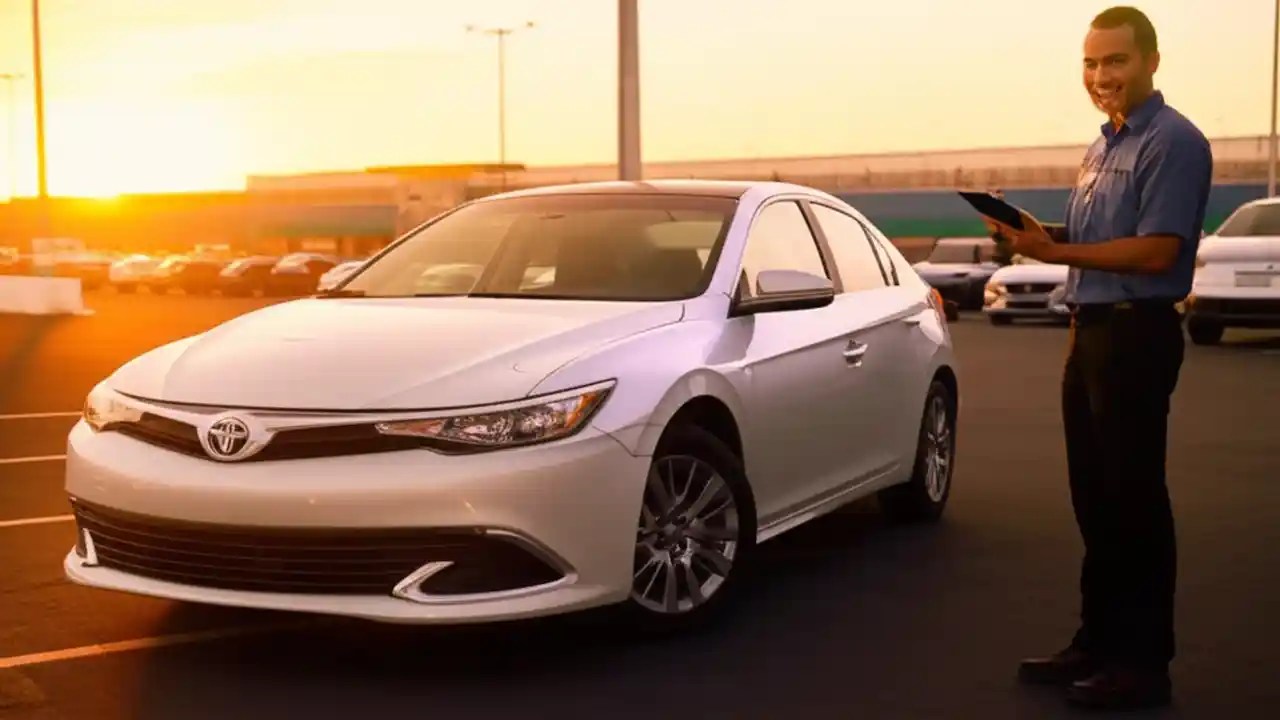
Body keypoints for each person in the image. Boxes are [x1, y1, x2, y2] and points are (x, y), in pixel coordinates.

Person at [981, 6, 1212, 712]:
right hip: (1088, 333)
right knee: (1095, 498)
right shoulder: (1102, 145)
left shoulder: (1173, 142)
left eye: (1116, 60)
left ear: (1151, 62)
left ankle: (1142, 664)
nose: (1101, 75)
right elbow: (1095, 237)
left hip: (1135, 336)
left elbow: (1158, 250)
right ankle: (1098, 642)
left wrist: (1055, 251)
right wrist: (1034, 236)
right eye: (1090, 62)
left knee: (1133, 499)